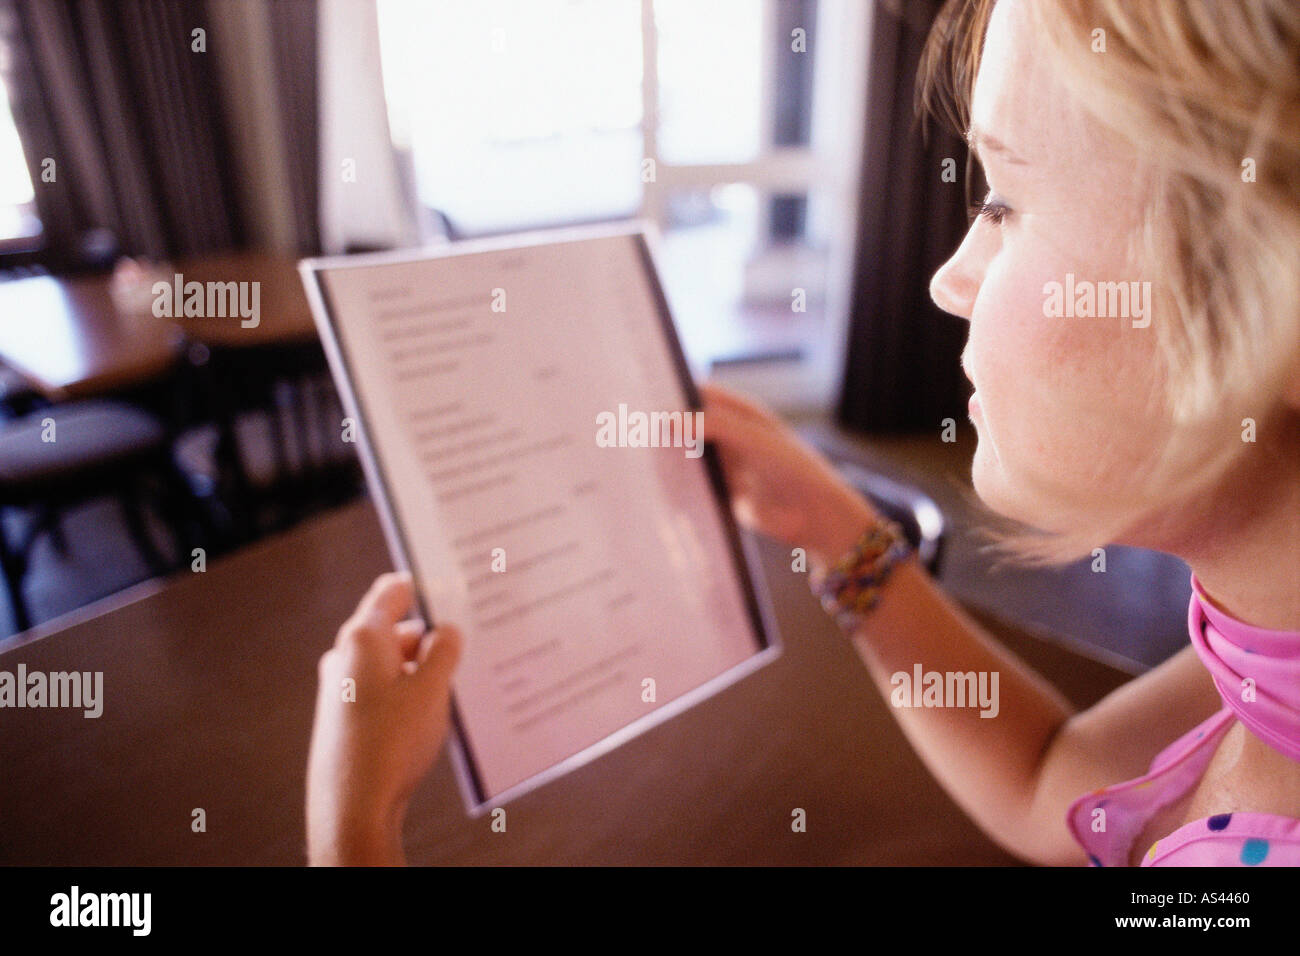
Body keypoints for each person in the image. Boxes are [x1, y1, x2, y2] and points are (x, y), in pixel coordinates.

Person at [306, 0, 1300, 866]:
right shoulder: (1264, 656)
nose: (947, 277)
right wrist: (834, 526)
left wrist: (353, 830)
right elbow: (1056, 783)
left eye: (1004, 201)